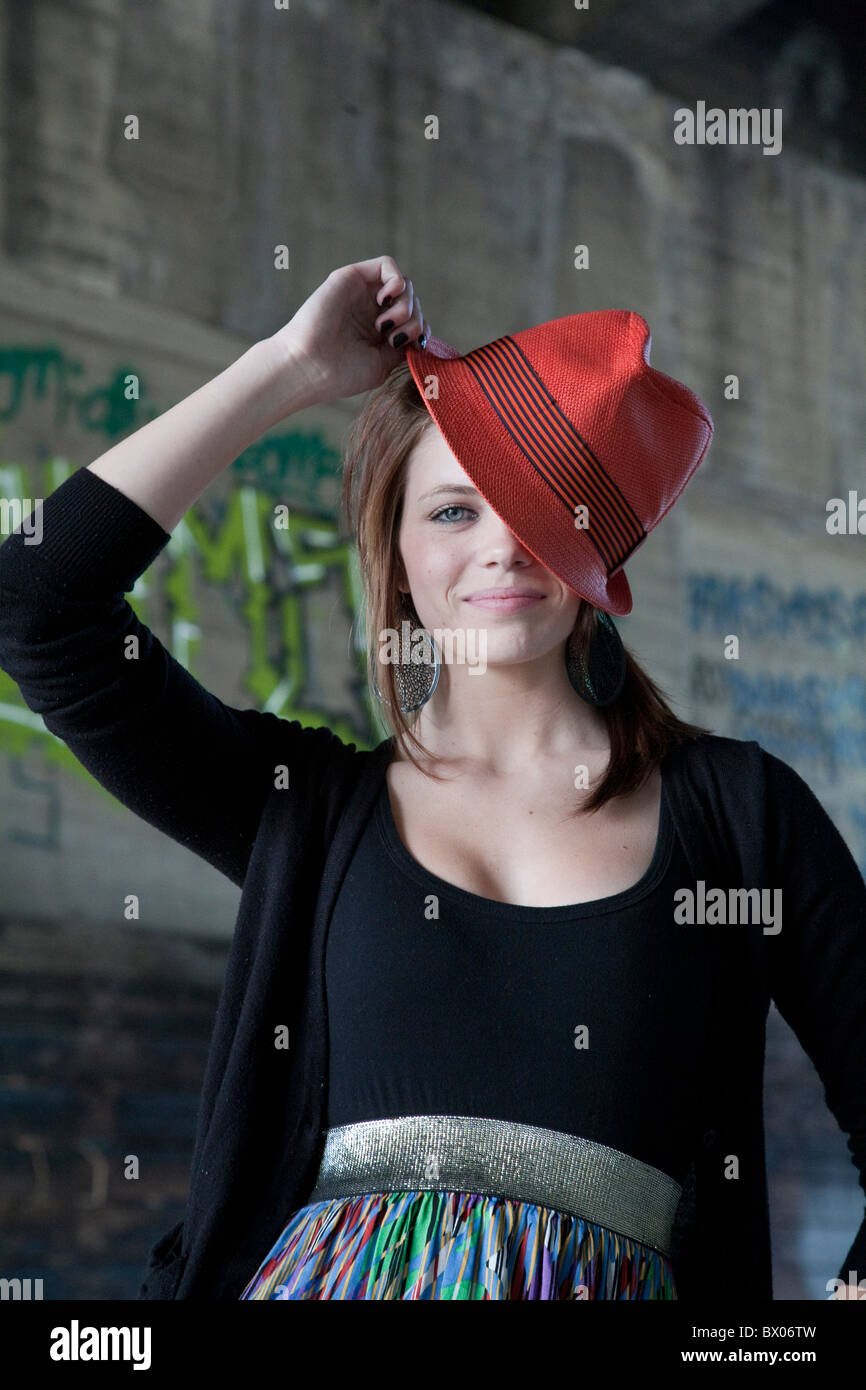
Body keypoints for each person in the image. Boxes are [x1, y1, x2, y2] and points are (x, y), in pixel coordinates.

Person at [0, 255, 864, 1301]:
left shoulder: (742, 817)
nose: (500, 547)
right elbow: (37, 602)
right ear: (397, 550)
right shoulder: (304, 810)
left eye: (541, 507)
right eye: (453, 511)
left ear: (596, 554)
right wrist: (290, 367)